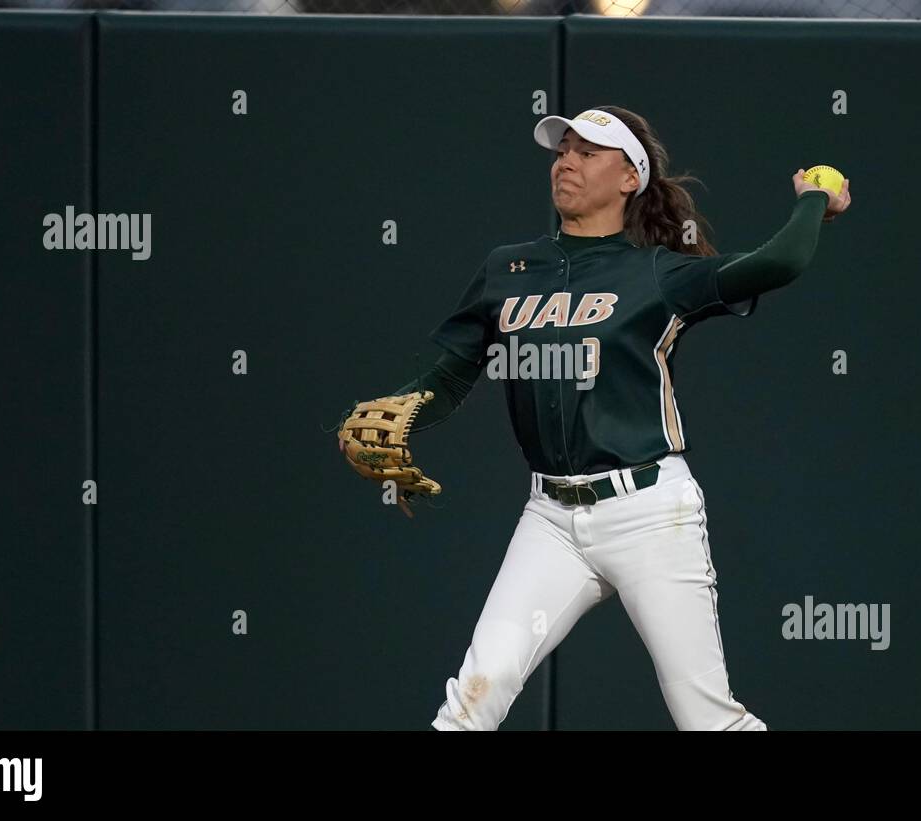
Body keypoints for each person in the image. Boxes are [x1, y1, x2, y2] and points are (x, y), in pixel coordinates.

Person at [348, 105, 849, 730]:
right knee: (475, 695)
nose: (567, 161)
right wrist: (401, 411)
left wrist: (813, 201)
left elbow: (781, 263)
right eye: (563, 150)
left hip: (648, 513)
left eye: (589, 152)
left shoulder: (657, 273)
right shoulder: (509, 268)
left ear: (629, 179)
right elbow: (450, 372)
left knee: (706, 718)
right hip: (551, 518)